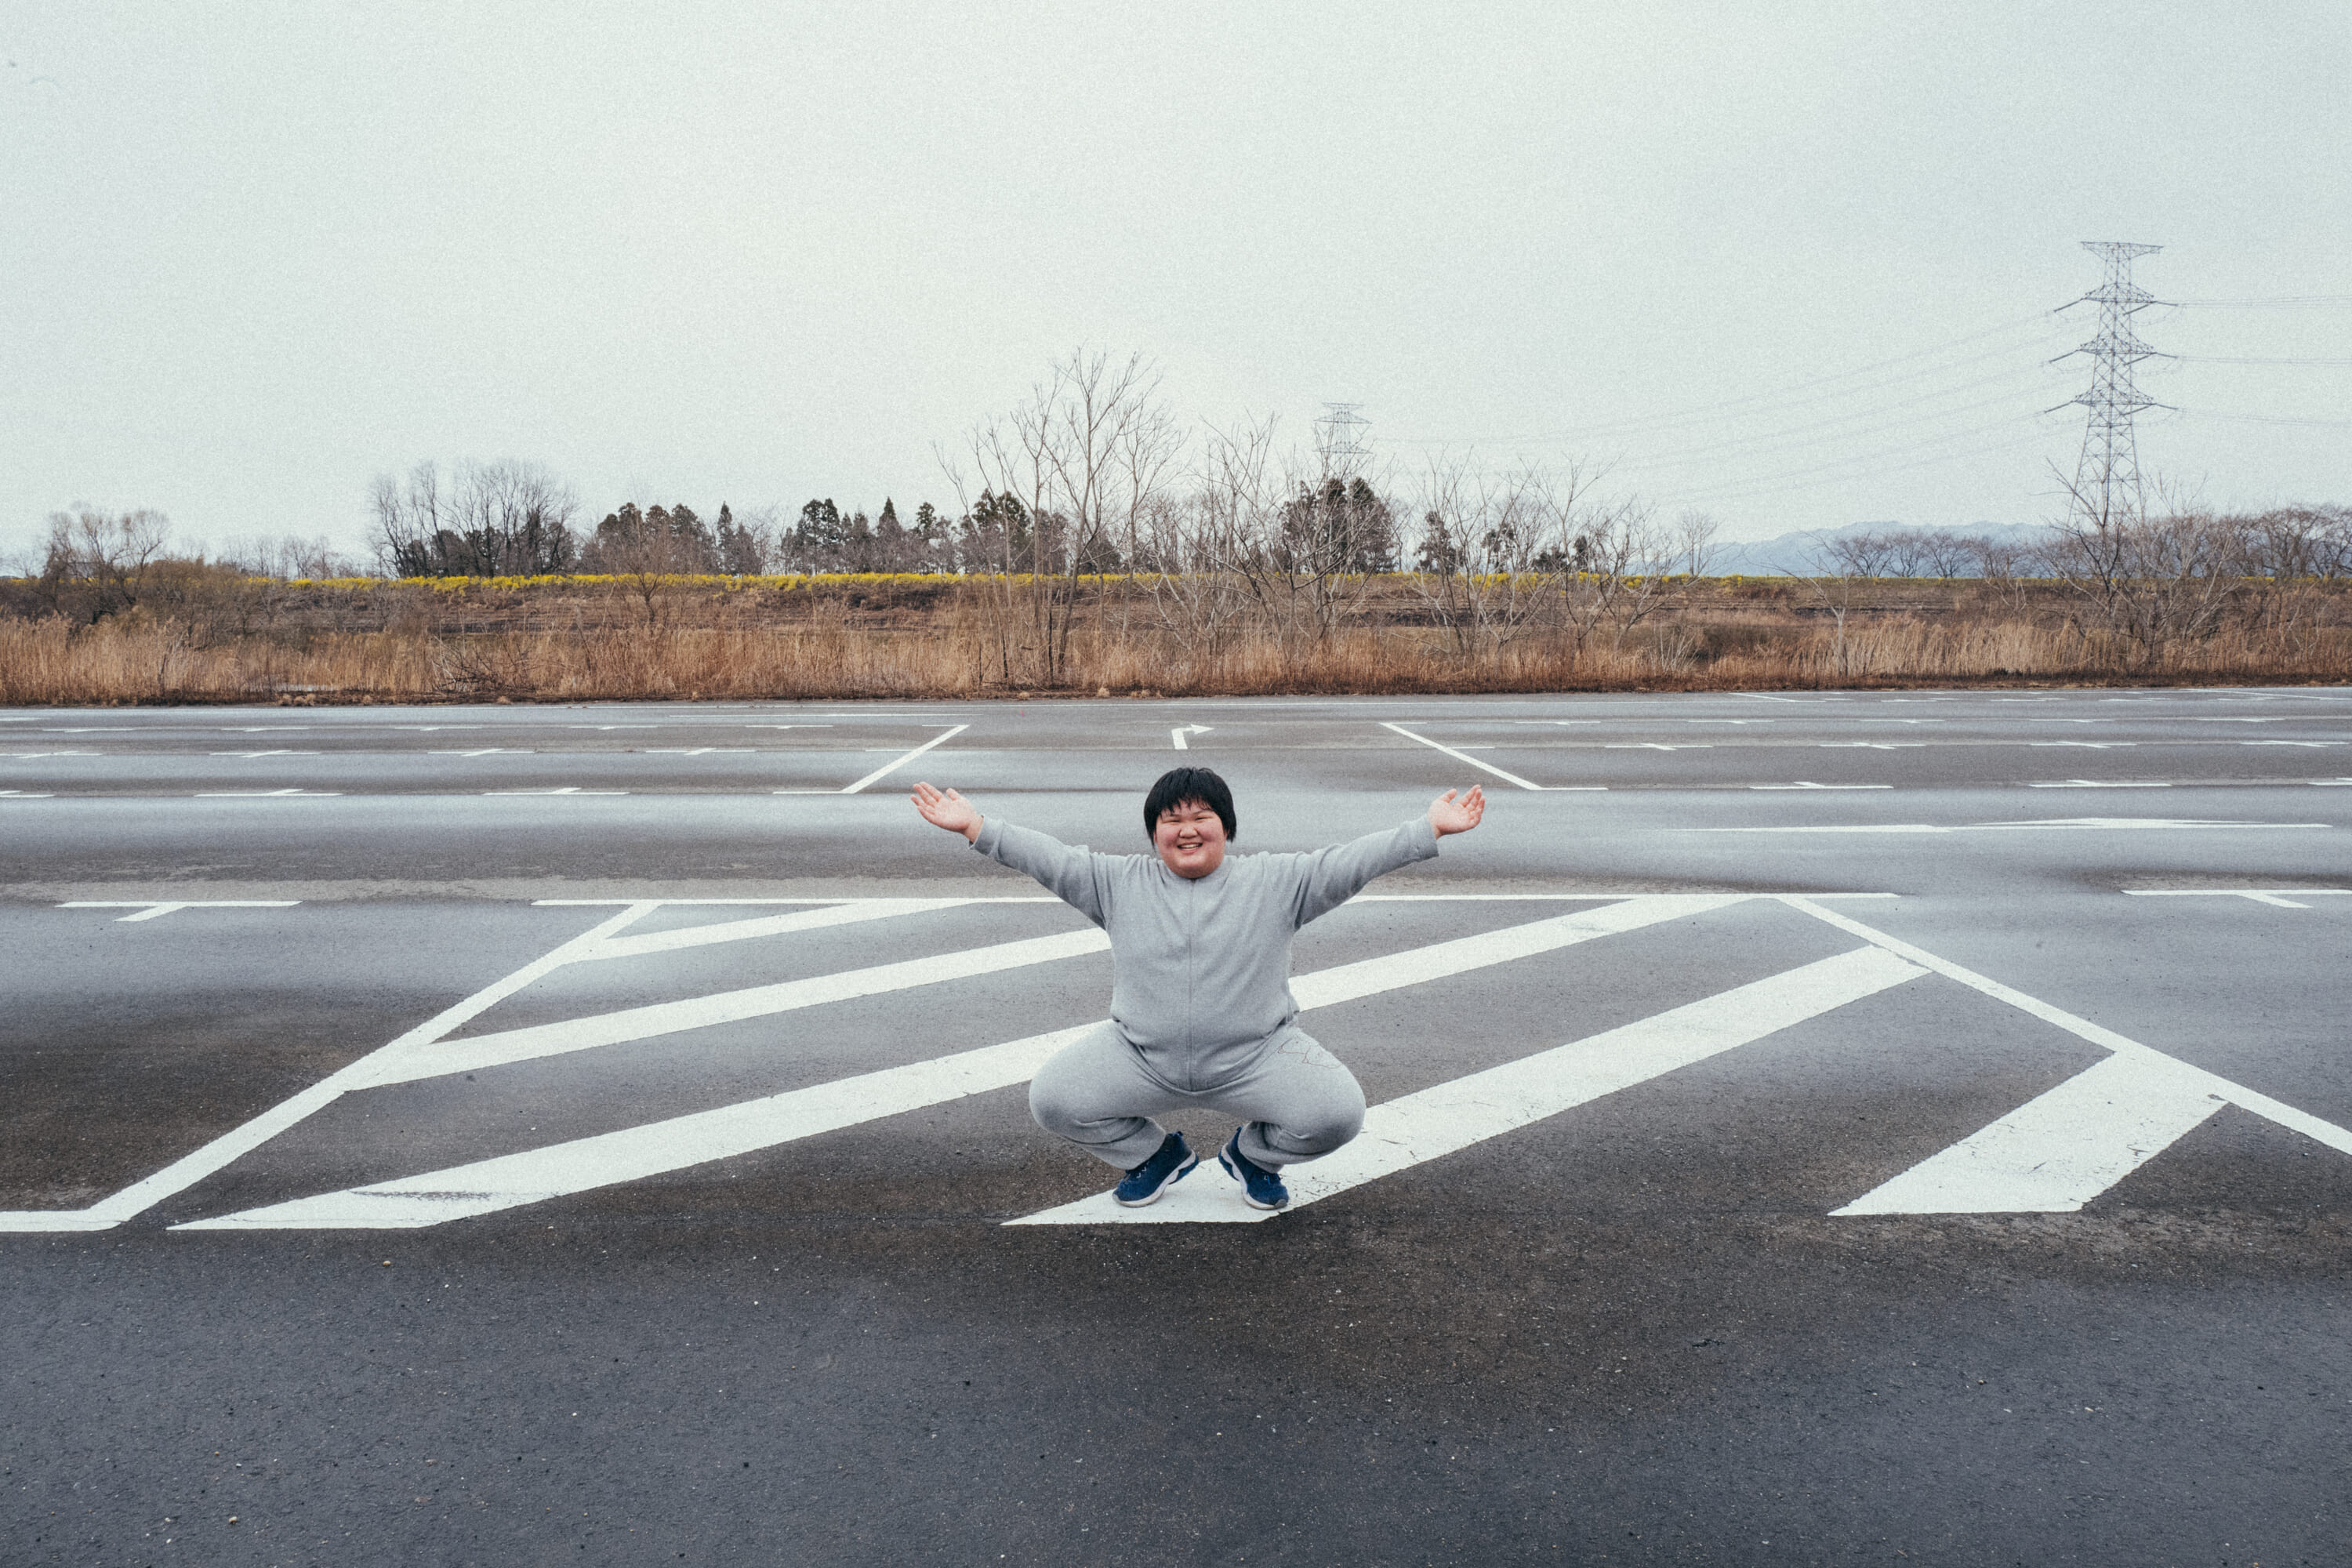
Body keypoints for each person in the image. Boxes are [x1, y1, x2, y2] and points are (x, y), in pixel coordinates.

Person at [909, 767, 1485, 1210]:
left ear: (1226, 827)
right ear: (1154, 832)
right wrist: (975, 827)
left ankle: (1252, 1157)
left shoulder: (1278, 881)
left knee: (1338, 1114)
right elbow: (1050, 859)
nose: (1187, 830)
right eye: (1170, 820)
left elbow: (1353, 862)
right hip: (1140, 1056)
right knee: (1054, 1100)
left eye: (1202, 816)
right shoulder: (1116, 882)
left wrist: (1428, 828)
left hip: (1256, 1057)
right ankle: (1158, 1156)